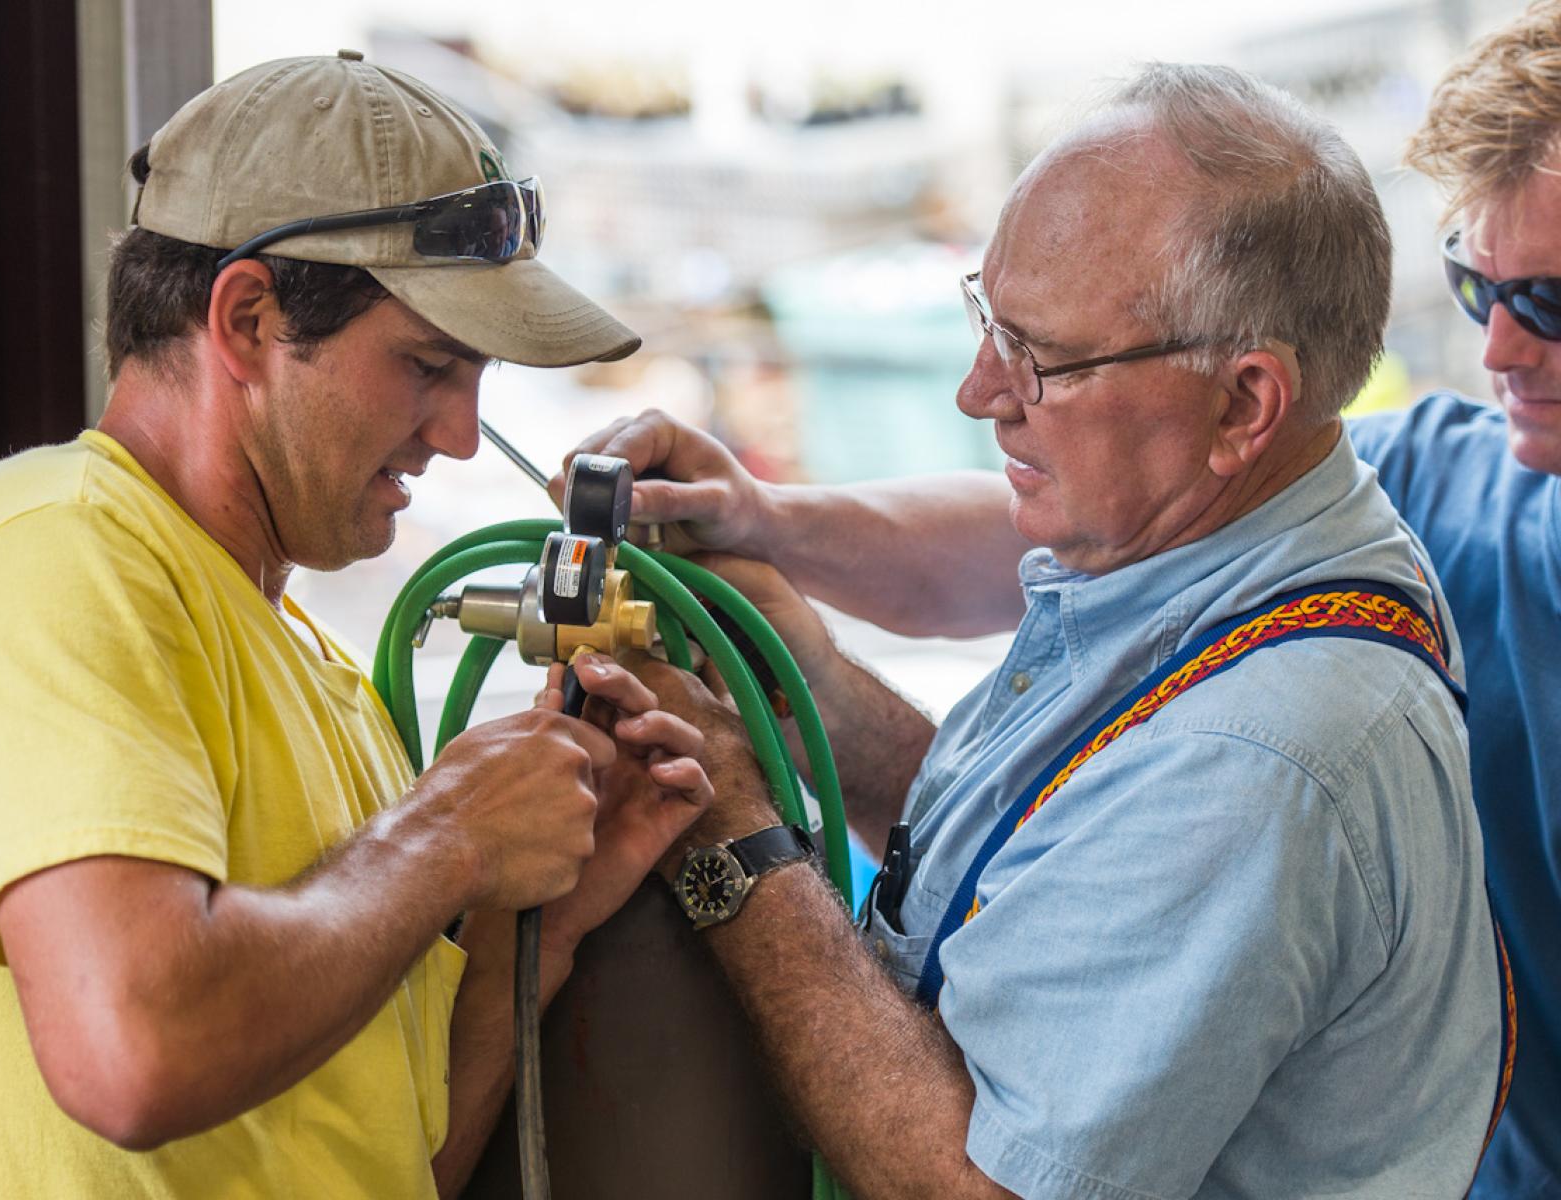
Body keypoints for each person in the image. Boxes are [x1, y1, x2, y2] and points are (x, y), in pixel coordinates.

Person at [563, 64, 1504, 1197]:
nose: (978, 392)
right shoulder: (1225, 552)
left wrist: (729, 830)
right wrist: (800, 687)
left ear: (1243, 404)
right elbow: (1053, 864)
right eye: (987, 320)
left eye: (1041, 359)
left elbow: (985, 1188)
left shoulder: (1254, 758)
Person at [0, 53, 712, 1198]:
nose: (461, 435)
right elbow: (133, 1052)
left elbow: (387, 1164)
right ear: (248, 319)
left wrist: (531, 930)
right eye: (427, 365)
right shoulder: (53, 549)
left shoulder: (324, 679)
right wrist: (449, 834)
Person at [1344, 6, 1561, 1195]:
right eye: (1479, 290)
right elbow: (1096, 523)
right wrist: (779, 523)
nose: (1500, 353)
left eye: (1554, 305)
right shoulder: (1451, 496)